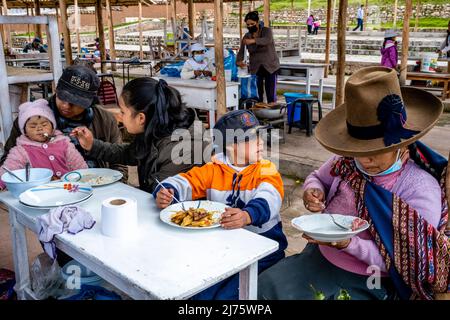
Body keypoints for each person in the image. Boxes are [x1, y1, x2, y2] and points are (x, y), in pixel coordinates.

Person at [258, 67, 449, 300]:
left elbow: (409, 264)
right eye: (359, 150)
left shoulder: (419, 189)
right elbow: (318, 176)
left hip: (370, 278)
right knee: (262, 287)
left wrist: (348, 243)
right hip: (318, 258)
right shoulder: (346, 162)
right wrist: (313, 191)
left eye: (377, 151)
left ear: (401, 145)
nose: (365, 159)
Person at [154, 110, 287, 299]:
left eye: (260, 134)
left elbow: (270, 197)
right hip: (224, 249)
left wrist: (248, 215)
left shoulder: (266, 169)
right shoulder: (212, 170)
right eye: (251, 138)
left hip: (264, 250)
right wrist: (167, 191)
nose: (260, 141)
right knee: (197, 291)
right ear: (231, 146)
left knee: (227, 295)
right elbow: (185, 181)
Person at [71, 77, 205, 193]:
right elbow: (130, 153)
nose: (119, 116)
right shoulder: (157, 127)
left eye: (123, 112)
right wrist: (92, 145)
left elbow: (159, 195)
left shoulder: (182, 150)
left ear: (141, 118)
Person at [1, 65, 128, 182]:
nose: (65, 105)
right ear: (56, 88)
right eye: (62, 97)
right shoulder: (30, 118)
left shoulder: (105, 120)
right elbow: (8, 162)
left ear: (90, 102)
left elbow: (119, 163)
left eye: (75, 102)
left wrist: (114, 188)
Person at [0, 99, 88, 189]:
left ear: (52, 127)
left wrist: (86, 178)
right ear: (24, 131)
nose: (39, 128)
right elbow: (9, 168)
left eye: (44, 124)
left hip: (69, 188)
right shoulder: (21, 150)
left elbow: (79, 165)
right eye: (33, 126)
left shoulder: (64, 143)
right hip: (39, 193)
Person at [237, 11, 280, 104]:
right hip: (256, 68)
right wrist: (239, 61)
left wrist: (253, 41)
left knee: (271, 94)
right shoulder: (246, 36)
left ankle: (271, 114)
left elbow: (267, 40)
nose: (250, 26)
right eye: (248, 24)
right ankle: (259, 114)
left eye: (252, 24)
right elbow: (241, 51)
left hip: (271, 66)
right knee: (257, 94)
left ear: (257, 22)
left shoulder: (266, 31)